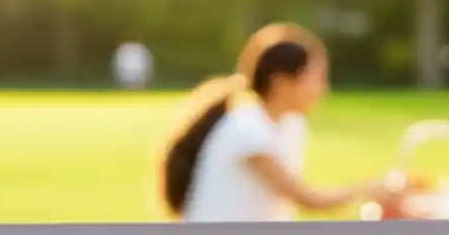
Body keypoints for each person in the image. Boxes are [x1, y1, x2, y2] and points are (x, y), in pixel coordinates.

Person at [161, 29, 393, 221]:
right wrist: (372, 190)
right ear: (281, 83)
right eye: (317, 78)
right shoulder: (247, 127)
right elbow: (305, 198)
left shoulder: (290, 123)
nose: (324, 90)